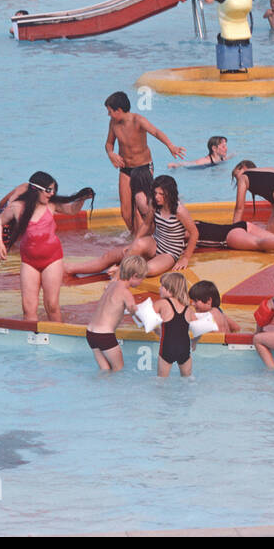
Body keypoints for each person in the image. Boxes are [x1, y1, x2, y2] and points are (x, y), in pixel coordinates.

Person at [104, 91, 185, 233]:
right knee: (126, 212)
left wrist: (171, 146)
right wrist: (111, 154)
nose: (108, 115)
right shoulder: (113, 123)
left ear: (119, 110)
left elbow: (156, 132)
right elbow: (109, 143)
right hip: (125, 169)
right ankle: (136, 236)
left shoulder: (138, 120)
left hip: (143, 168)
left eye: (110, 111)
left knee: (141, 207)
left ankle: (153, 235)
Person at [0, 172, 66, 323]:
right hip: (29, 262)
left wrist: (83, 198)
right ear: (36, 190)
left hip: (52, 260)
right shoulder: (17, 207)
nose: (51, 194)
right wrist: (0, 243)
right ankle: (32, 342)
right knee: (28, 308)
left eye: (53, 190)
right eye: (48, 190)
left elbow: (72, 210)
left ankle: (59, 335)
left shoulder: (52, 205)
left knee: (51, 305)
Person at [84, 255, 147, 371]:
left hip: (91, 332)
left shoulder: (112, 284)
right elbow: (135, 312)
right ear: (135, 276)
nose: (142, 281)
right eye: (142, 278)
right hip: (104, 336)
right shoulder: (125, 293)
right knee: (118, 370)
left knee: (105, 370)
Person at [154, 273, 195, 378]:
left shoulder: (162, 303)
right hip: (184, 348)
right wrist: (195, 342)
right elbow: (197, 327)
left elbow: (146, 318)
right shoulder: (188, 309)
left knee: (161, 382)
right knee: (187, 380)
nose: (159, 288)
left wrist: (156, 330)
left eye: (162, 286)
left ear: (169, 289)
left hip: (167, 347)